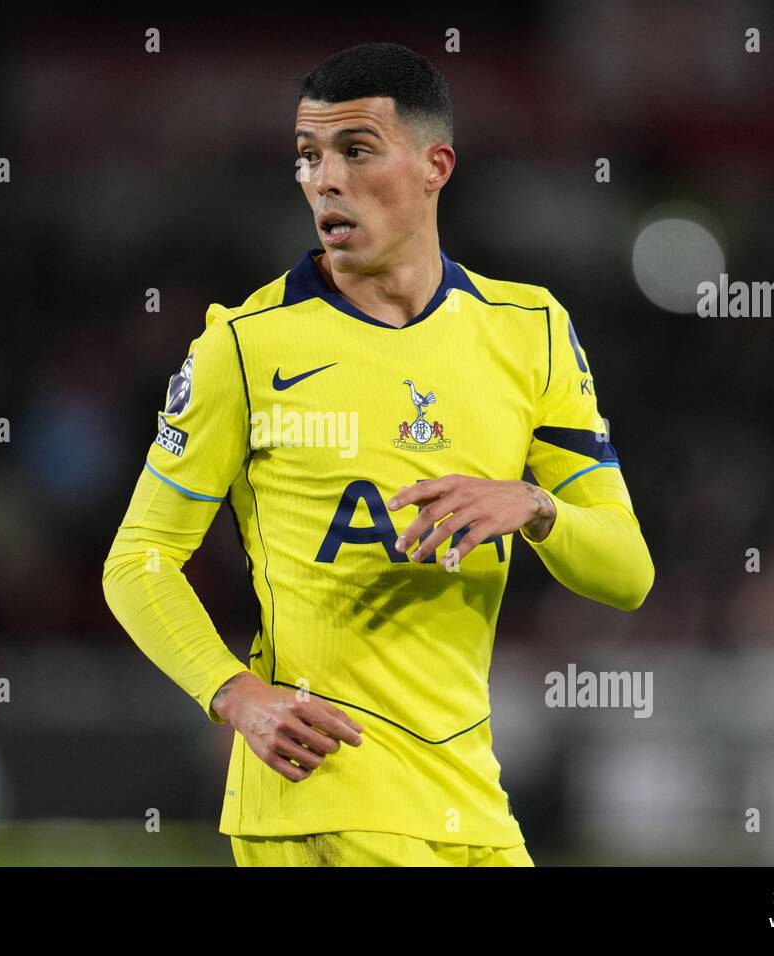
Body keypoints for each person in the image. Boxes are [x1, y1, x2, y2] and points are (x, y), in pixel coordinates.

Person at [103, 41, 654, 867]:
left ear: (436, 166)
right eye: (308, 157)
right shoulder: (244, 348)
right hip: (322, 795)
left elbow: (627, 573)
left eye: (356, 152)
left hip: (472, 802)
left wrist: (536, 509)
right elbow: (138, 560)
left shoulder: (530, 331)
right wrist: (237, 696)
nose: (325, 180)